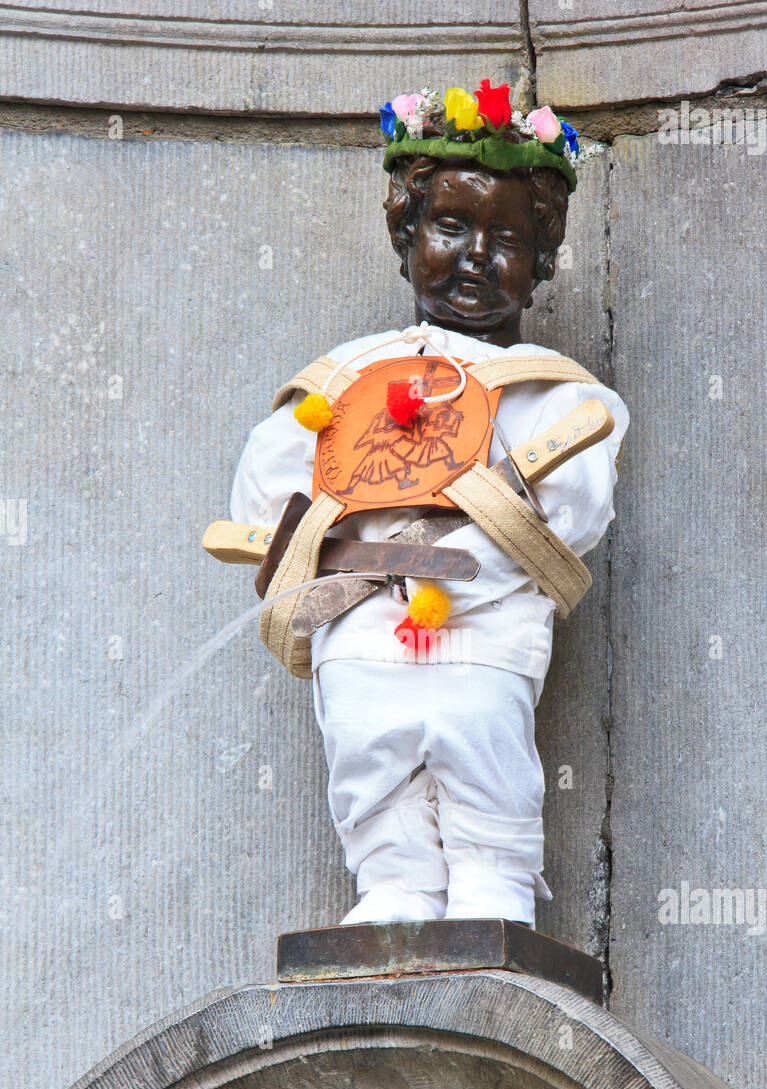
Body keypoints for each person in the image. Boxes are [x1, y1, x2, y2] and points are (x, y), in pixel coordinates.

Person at [230, 83, 629, 926]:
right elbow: (273, 491)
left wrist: (451, 572)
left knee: (484, 754)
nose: (477, 255)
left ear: (544, 261)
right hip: (358, 634)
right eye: (451, 227)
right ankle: (392, 891)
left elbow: (572, 514)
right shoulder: (341, 378)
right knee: (367, 759)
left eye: (508, 239)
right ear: (407, 233)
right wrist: (304, 560)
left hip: (481, 631)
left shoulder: (554, 398)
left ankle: (495, 896)